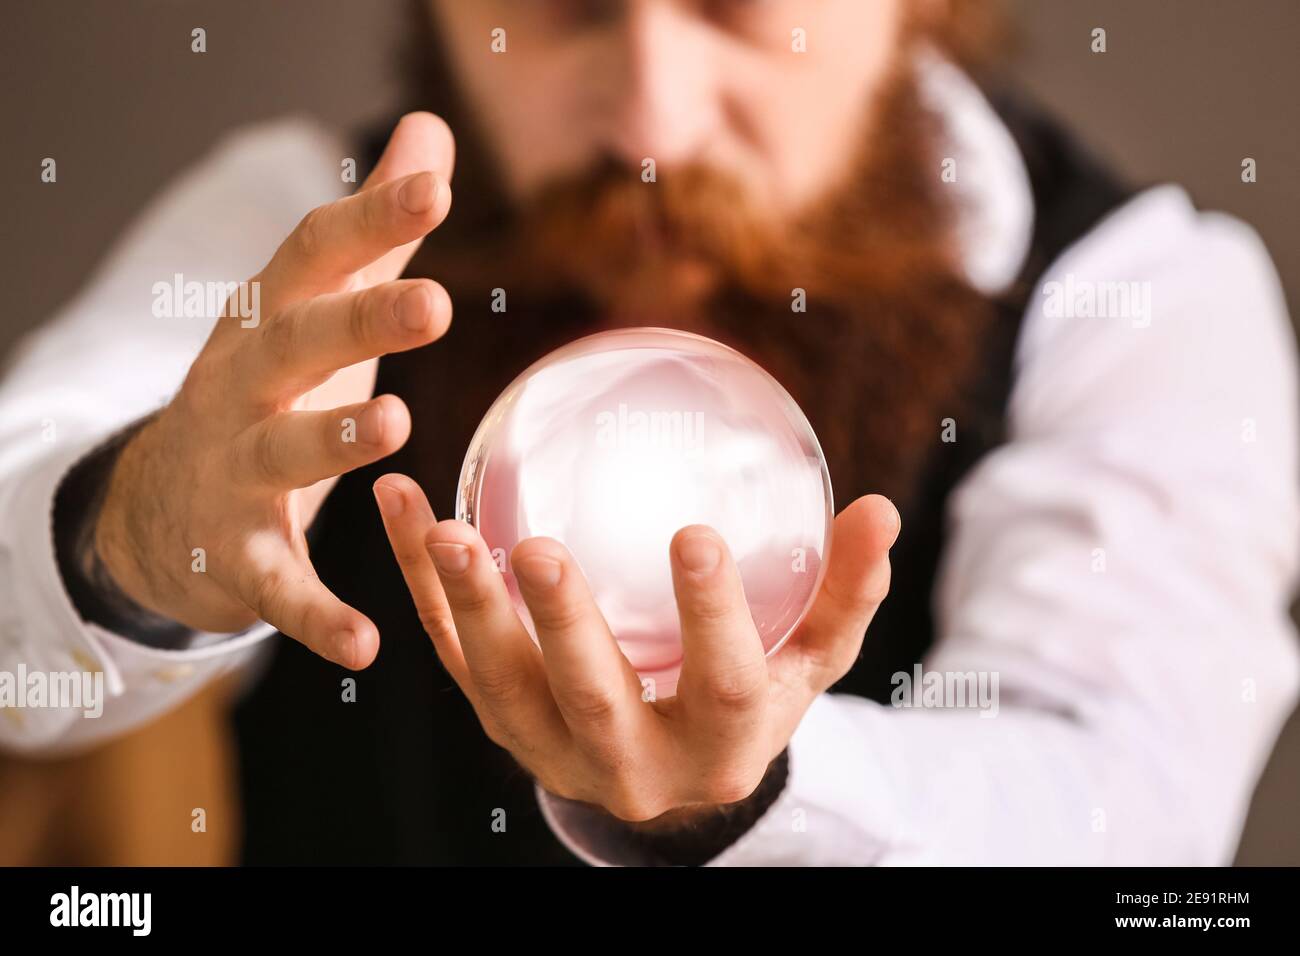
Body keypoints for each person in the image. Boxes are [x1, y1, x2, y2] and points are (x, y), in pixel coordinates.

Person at [0, 0, 1296, 865]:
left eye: (739, 9)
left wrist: (763, 786)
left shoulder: (1137, 295)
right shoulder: (305, 223)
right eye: (564, 6)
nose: (651, 128)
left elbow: (1123, 812)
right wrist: (127, 531)